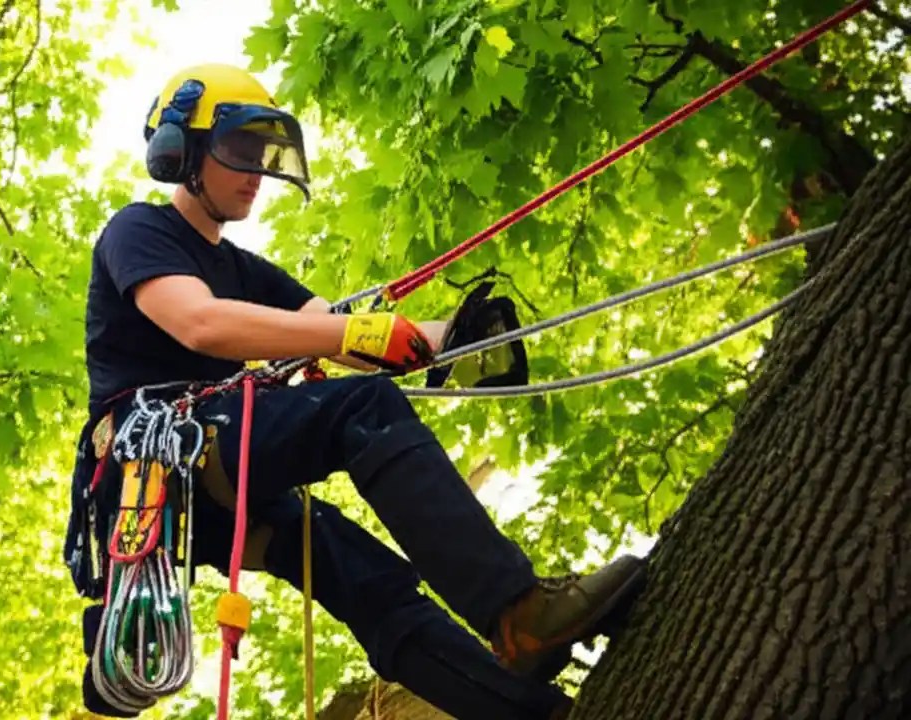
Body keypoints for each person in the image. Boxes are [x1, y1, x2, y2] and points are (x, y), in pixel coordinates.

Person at [64, 63, 645, 720]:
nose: (256, 172)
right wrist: (349, 335)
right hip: (157, 459)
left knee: (360, 573)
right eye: (239, 151)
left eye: (264, 153)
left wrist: (451, 336)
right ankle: (517, 607)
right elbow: (200, 322)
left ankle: (526, 704)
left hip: (215, 471)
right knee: (361, 410)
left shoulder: (245, 270)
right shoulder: (139, 231)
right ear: (180, 151)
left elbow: (333, 328)